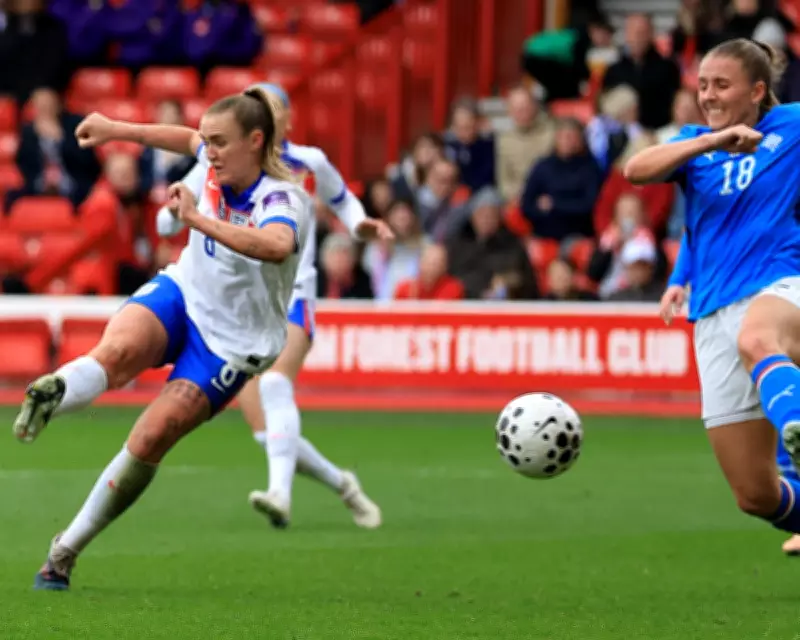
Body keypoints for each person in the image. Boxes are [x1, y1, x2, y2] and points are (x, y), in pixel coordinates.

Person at [12, 87, 313, 590]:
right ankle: (56, 391)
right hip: (185, 292)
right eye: (207, 141)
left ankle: (64, 552)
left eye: (219, 142)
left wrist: (196, 219)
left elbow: (276, 244)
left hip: (231, 343)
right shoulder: (213, 160)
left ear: (255, 141)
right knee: (118, 352)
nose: (208, 151)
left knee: (153, 435)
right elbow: (181, 138)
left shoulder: (282, 198)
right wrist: (115, 129)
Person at [158, 83, 392, 530]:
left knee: (275, 386)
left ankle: (279, 494)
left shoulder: (309, 162)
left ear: (283, 119)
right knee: (269, 433)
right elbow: (166, 219)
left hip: (294, 295)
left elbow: (342, 199)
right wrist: (173, 213)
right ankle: (343, 484)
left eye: (274, 107)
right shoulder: (217, 162)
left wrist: (359, 224)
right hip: (239, 307)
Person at [624, 38, 800, 552]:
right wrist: (711, 143)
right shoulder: (694, 145)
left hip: (780, 283)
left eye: (722, 85)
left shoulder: (791, 126)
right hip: (712, 310)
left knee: (759, 340)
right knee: (755, 494)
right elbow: (636, 171)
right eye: (702, 85)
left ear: (757, 91)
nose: (708, 95)